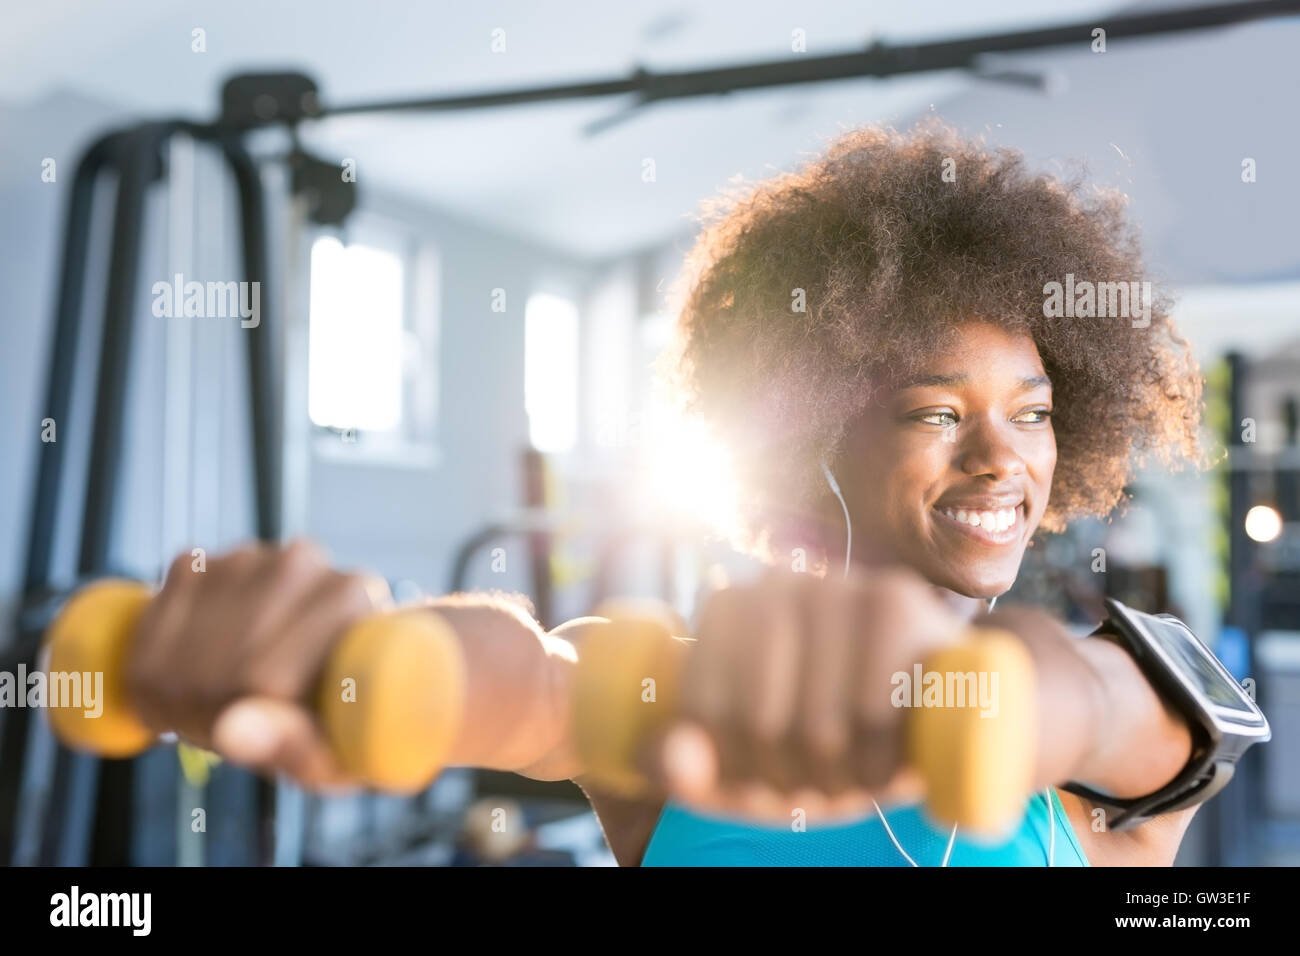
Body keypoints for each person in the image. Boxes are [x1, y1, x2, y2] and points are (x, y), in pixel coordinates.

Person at [122, 121, 1208, 866]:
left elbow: (1115, 712)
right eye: (936, 411)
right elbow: (536, 684)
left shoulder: (1097, 710)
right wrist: (359, 655)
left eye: (1032, 411)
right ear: (816, 432)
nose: (1000, 458)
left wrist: (990, 697)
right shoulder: (678, 702)